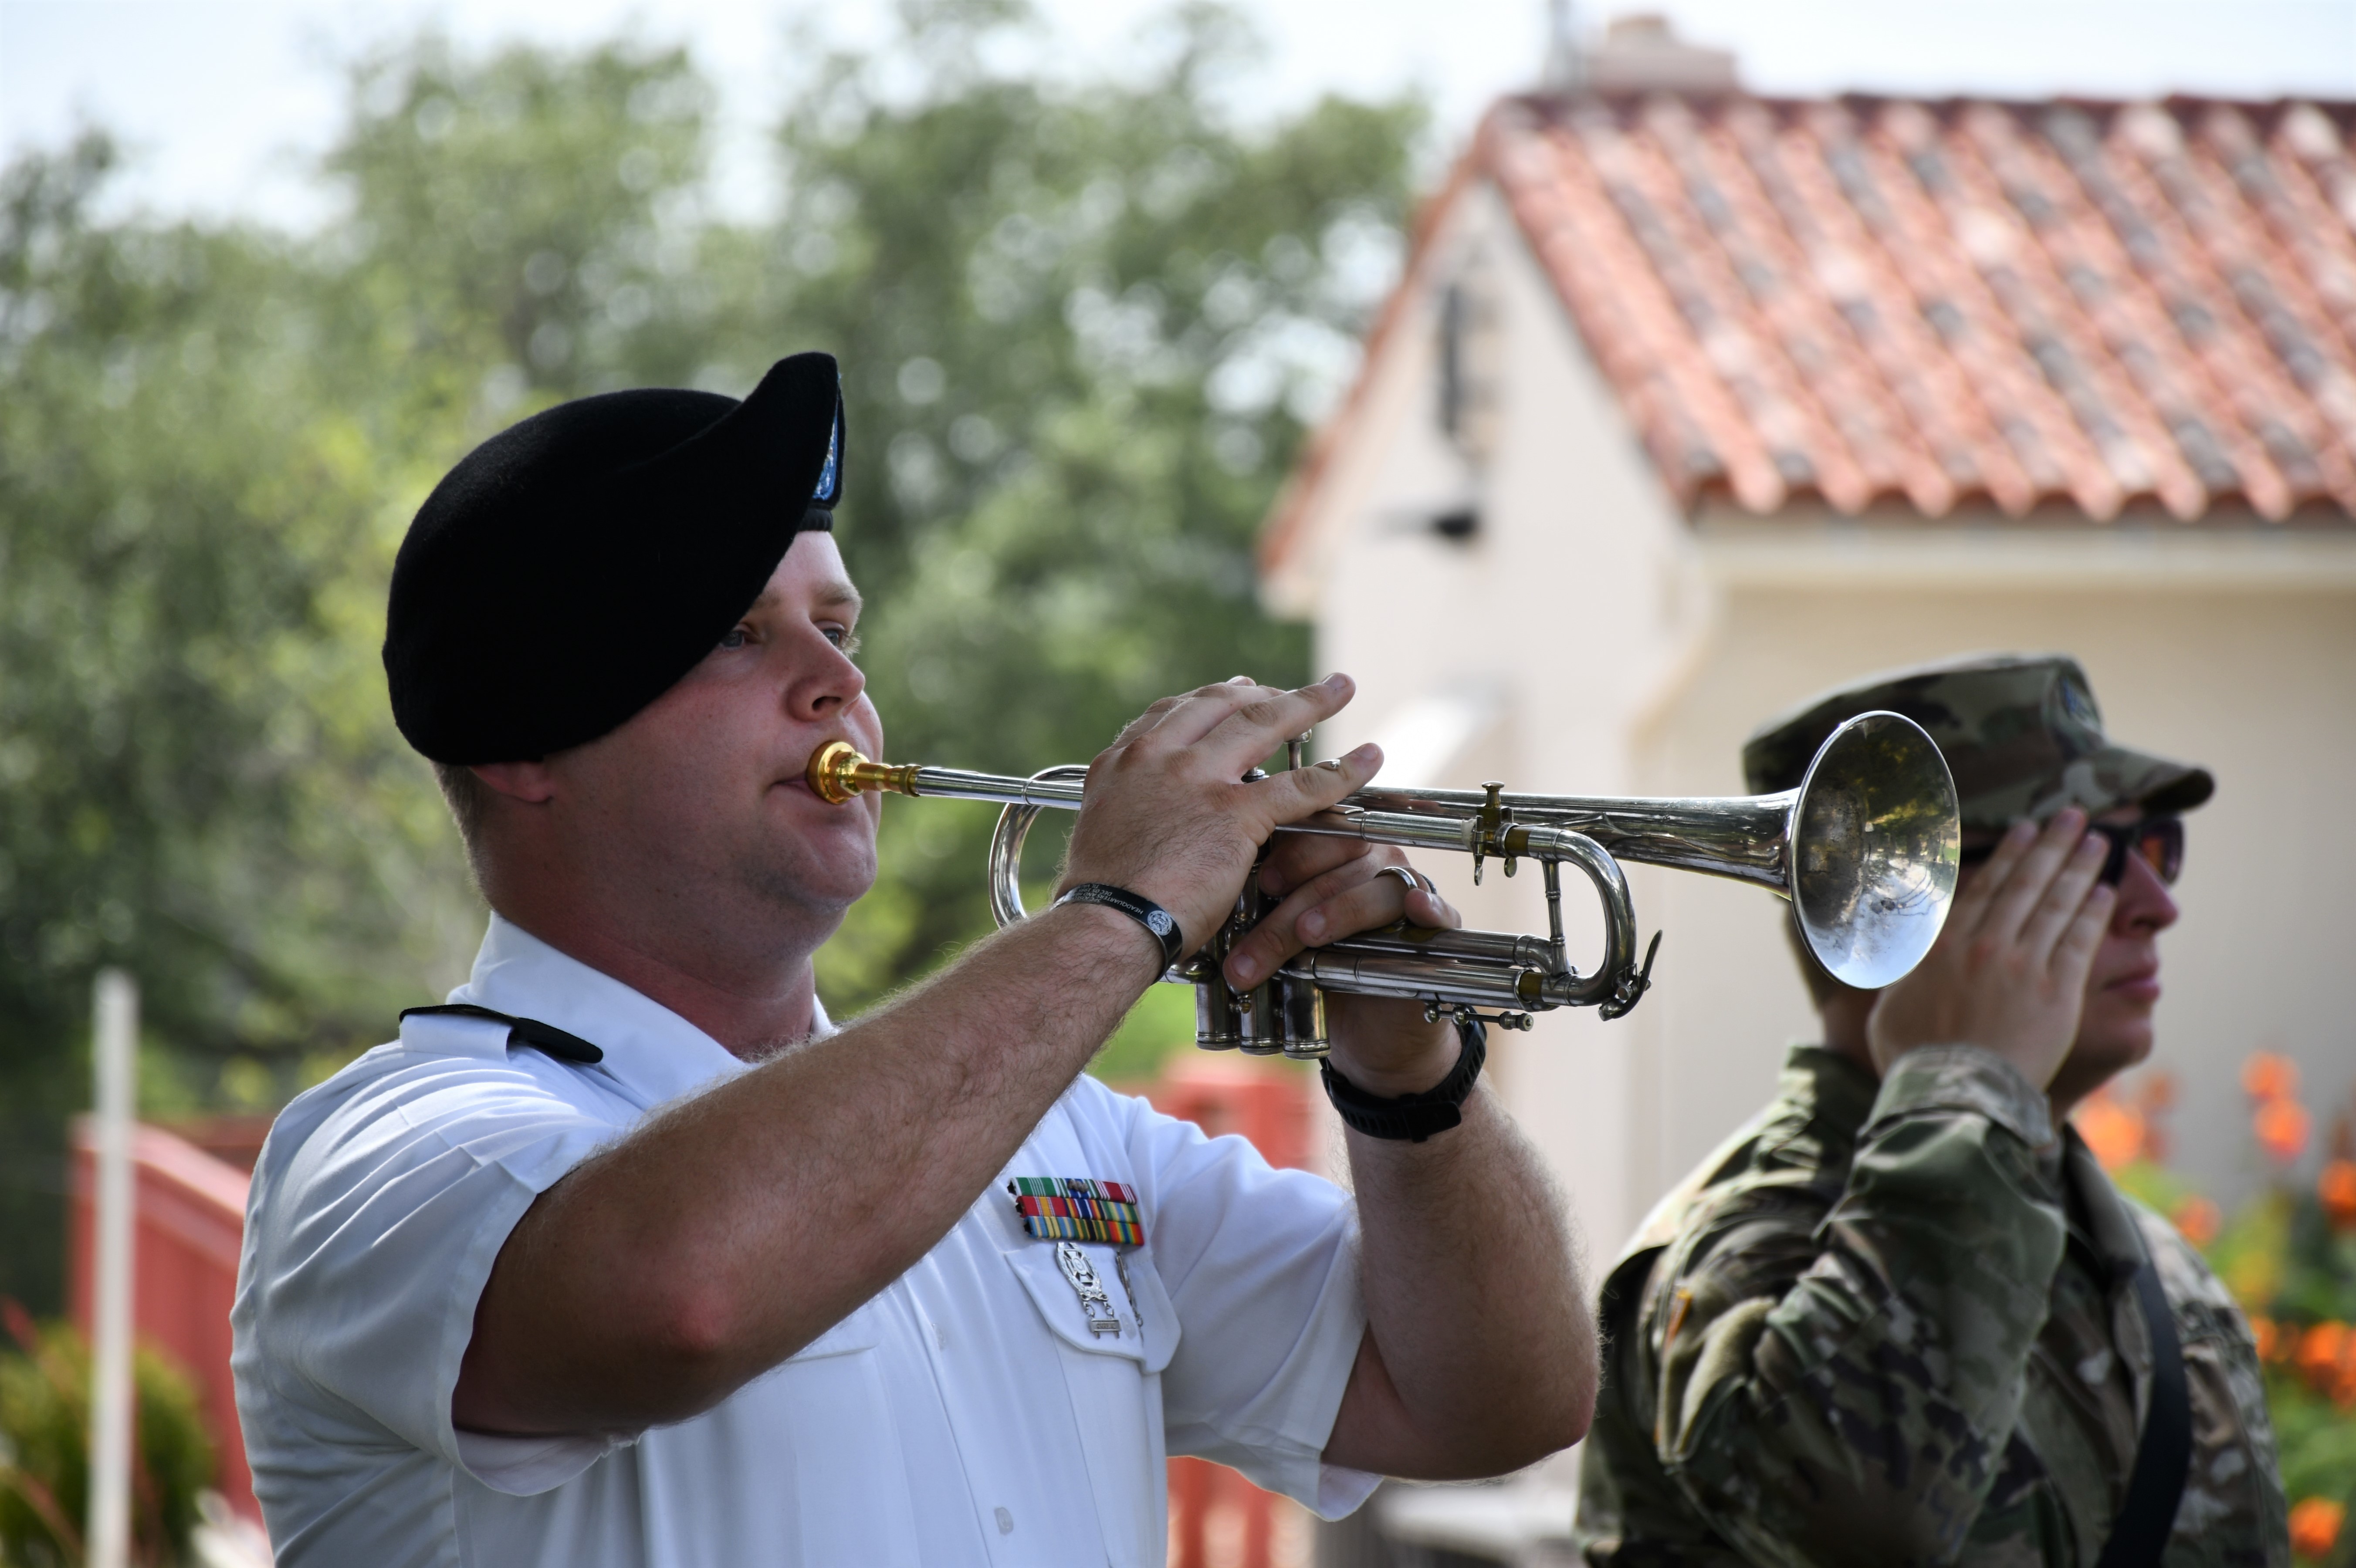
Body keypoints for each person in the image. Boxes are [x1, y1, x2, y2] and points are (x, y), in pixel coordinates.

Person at [230, 352, 1596, 1566]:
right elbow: (679, 1298)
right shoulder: (386, 1151)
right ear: (524, 748)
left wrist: (1409, 1080)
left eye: (840, 628)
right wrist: (1121, 913)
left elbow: (1502, 1402)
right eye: (736, 633)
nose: (837, 684)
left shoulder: (1050, 1133)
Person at [1572, 653, 2288, 1568]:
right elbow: (1869, 1521)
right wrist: (1969, 1072)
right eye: (2084, 859)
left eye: (2155, 847)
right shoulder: (1734, 1253)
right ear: (1883, 901)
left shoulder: (2159, 1271)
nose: (2156, 906)